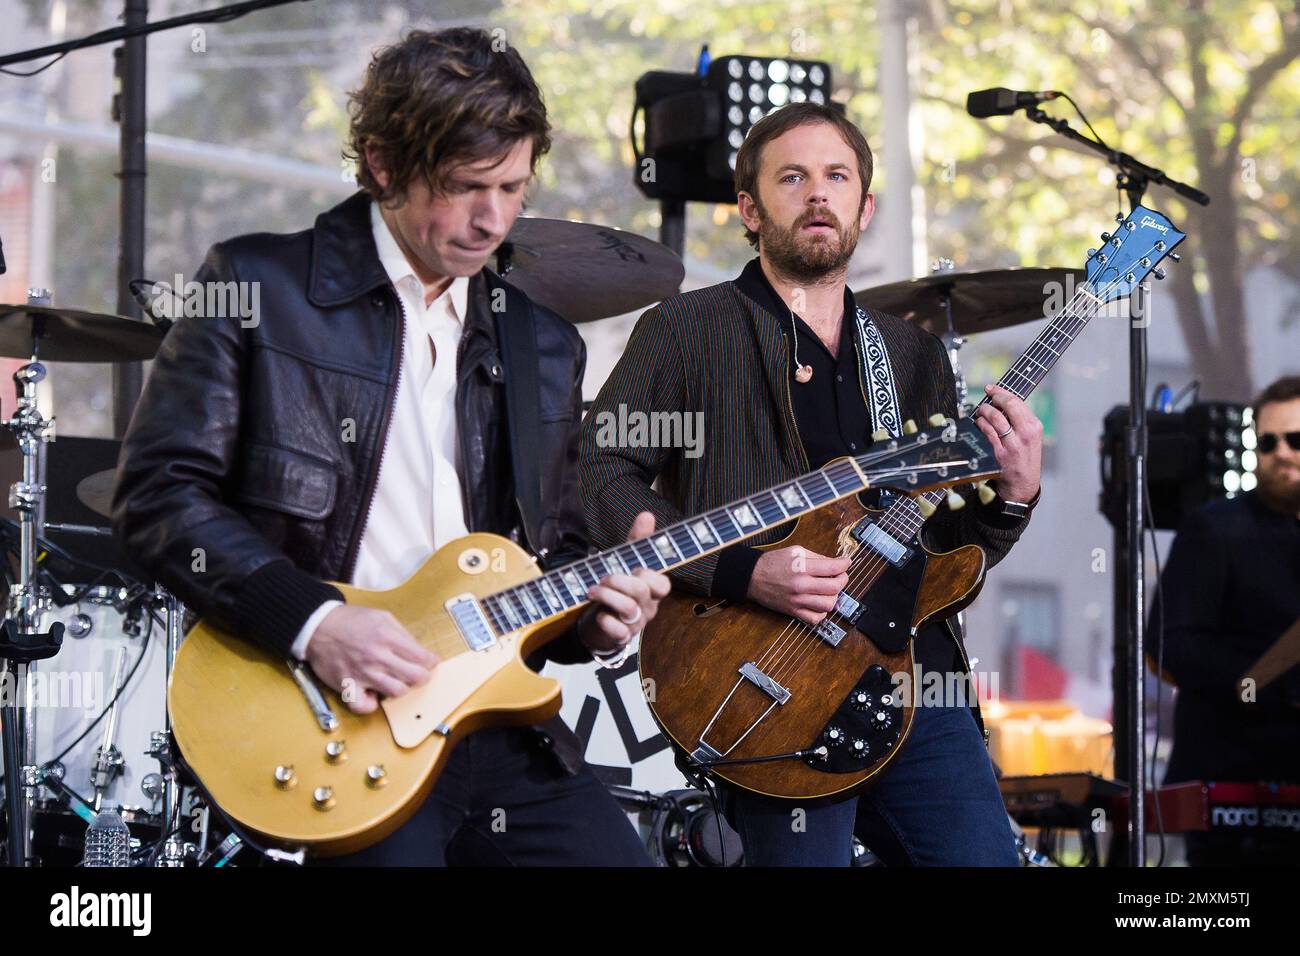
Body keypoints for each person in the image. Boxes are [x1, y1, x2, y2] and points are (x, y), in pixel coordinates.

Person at [112, 27, 667, 866]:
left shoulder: (544, 345)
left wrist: (596, 620)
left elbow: (545, 564)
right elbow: (156, 499)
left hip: (498, 724)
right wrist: (314, 621)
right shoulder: (257, 286)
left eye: (514, 186)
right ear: (381, 164)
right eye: (464, 187)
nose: (494, 219)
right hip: (334, 708)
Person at [580, 102, 1043, 866]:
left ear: (865, 207)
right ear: (750, 211)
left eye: (837, 177)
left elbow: (949, 552)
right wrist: (742, 571)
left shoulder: (912, 355)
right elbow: (600, 471)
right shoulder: (686, 331)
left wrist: (1013, 496)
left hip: (911, 677)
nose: (817, 194)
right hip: (761, 668)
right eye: (793, 178)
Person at [1152, 374, 1300, 866]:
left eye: (1295, 440)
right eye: (1267, 442)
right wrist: (1268, 683)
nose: (1281, 452)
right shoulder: (1213, 528)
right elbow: (1169, 645)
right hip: (1233, 778)